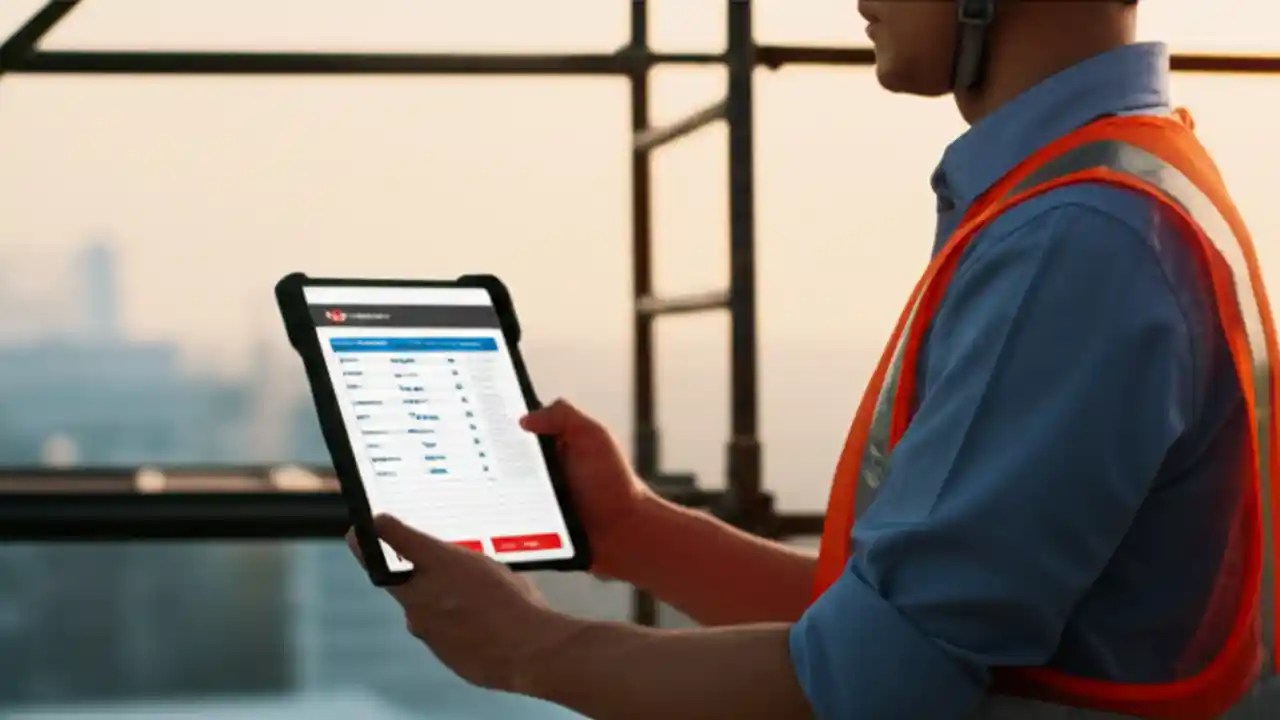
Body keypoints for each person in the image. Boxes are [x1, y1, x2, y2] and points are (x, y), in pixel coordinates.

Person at [350, 1, 1279, 718]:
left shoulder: (1072, 237)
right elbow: (898, 624)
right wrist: (634, 532)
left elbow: (881, 681)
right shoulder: (1119, 189)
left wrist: (528, 649)